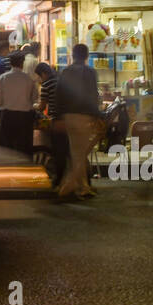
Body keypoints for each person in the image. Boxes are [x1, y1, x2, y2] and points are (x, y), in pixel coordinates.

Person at [54, 44, 107, 201]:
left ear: (72, 54)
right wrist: (98, 114)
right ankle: (67, 187)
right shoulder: (90, 72)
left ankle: (82, 186)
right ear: (87, 56)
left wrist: (58, 117)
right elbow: (92, 95)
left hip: (69, 116)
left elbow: (59, 94)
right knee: (80, 154)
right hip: (85, 116)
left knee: (77, 153)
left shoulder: (66, 71)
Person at [0, 52, 39, 155]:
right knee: (24, 150)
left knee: (6, 150)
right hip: (25, 118)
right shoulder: (29, 79)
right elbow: (35, 98)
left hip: (7, 117)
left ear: (10, 63)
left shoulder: (3, 78)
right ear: (22, 63)